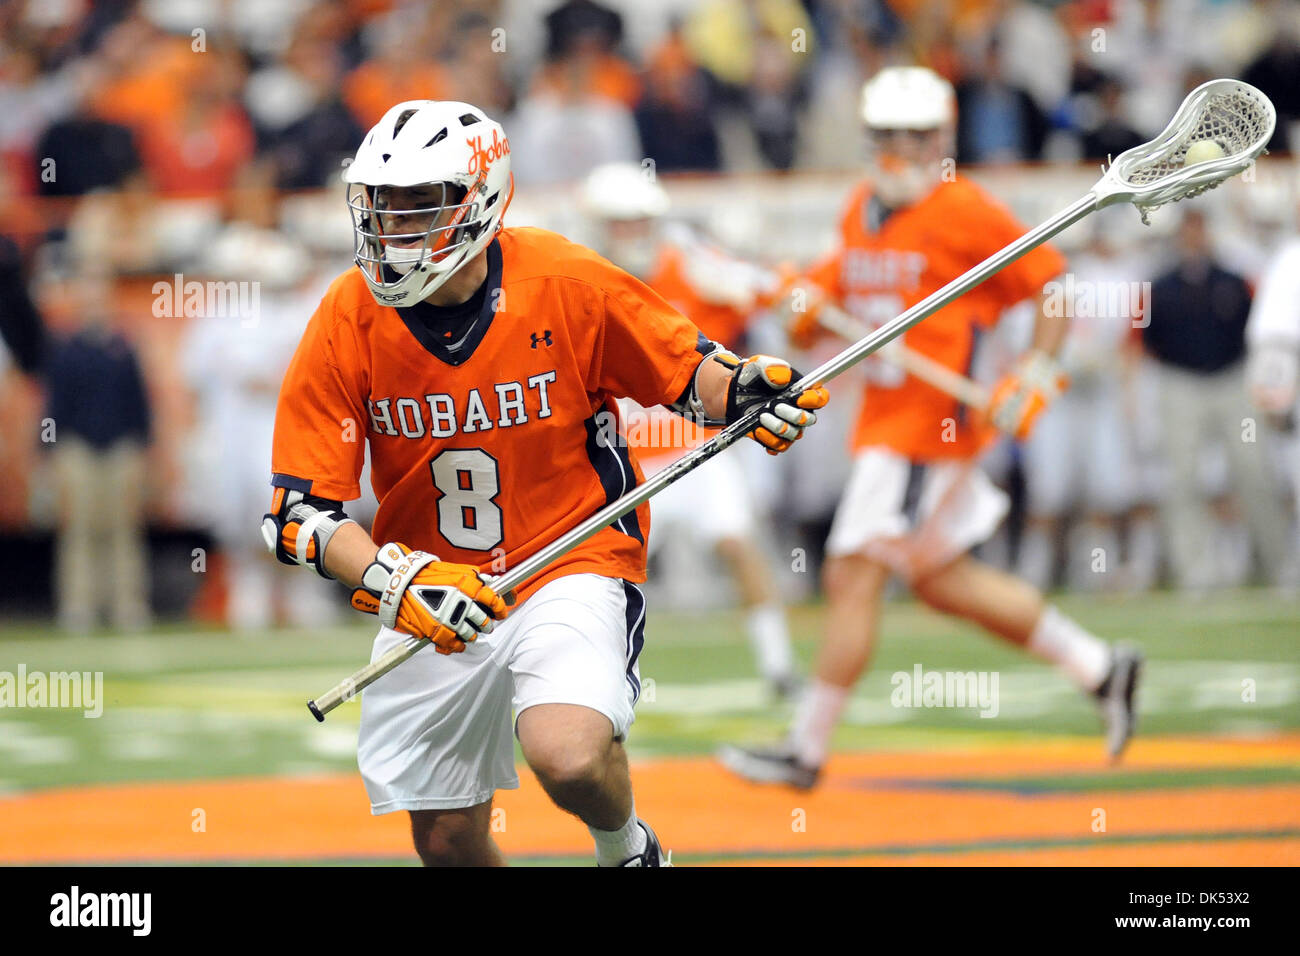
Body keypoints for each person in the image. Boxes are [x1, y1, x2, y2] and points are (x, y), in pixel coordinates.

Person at [263, 100, 829, 866]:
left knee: (566, 752)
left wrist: (752, 391)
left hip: (570, 555)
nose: (392, 228)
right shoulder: (347, 316)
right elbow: (300, 514)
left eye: (416, 205)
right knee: (449, 840)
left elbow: (689, 373)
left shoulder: (563, 279)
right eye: (381, 206)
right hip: (432, 584)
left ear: (480, 199)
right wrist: (398, 583)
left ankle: (628, 849)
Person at [718, 67, 1142, 791]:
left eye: (916, 137)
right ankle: (1101, 669)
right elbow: (825, 297)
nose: (901, 150)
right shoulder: (862, 209)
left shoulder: (965, 211)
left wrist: (1035, 373)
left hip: (929, 429)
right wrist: (800, 296)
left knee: (852, 573)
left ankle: (806, 749)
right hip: (884, 422)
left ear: (942, 138)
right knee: (944, 581)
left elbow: (1053, 282)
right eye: (887, 136)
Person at [581, 162, 800, 698]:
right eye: (619, 224)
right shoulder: (583, 288)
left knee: (739, 544)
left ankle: (778, 663)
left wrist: (770, 281)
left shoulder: (691, 274)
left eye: (637, 223)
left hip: (696, 449)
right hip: (621, 459)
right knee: (594, 575)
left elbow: (771, 301)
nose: (630, 234)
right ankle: (585, 678)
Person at [1143, 209, 1293, 591]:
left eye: (1200, 228)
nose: (1195, 236)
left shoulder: (1233, 280)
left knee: (1255, 471)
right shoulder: (1161, 285)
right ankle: (1196, 570)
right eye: (1188, 229)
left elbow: (1255, 329)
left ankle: (1278, 563)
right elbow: (1148, 340)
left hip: (1231, 379)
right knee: (1182, 478)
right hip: (1181, 383)